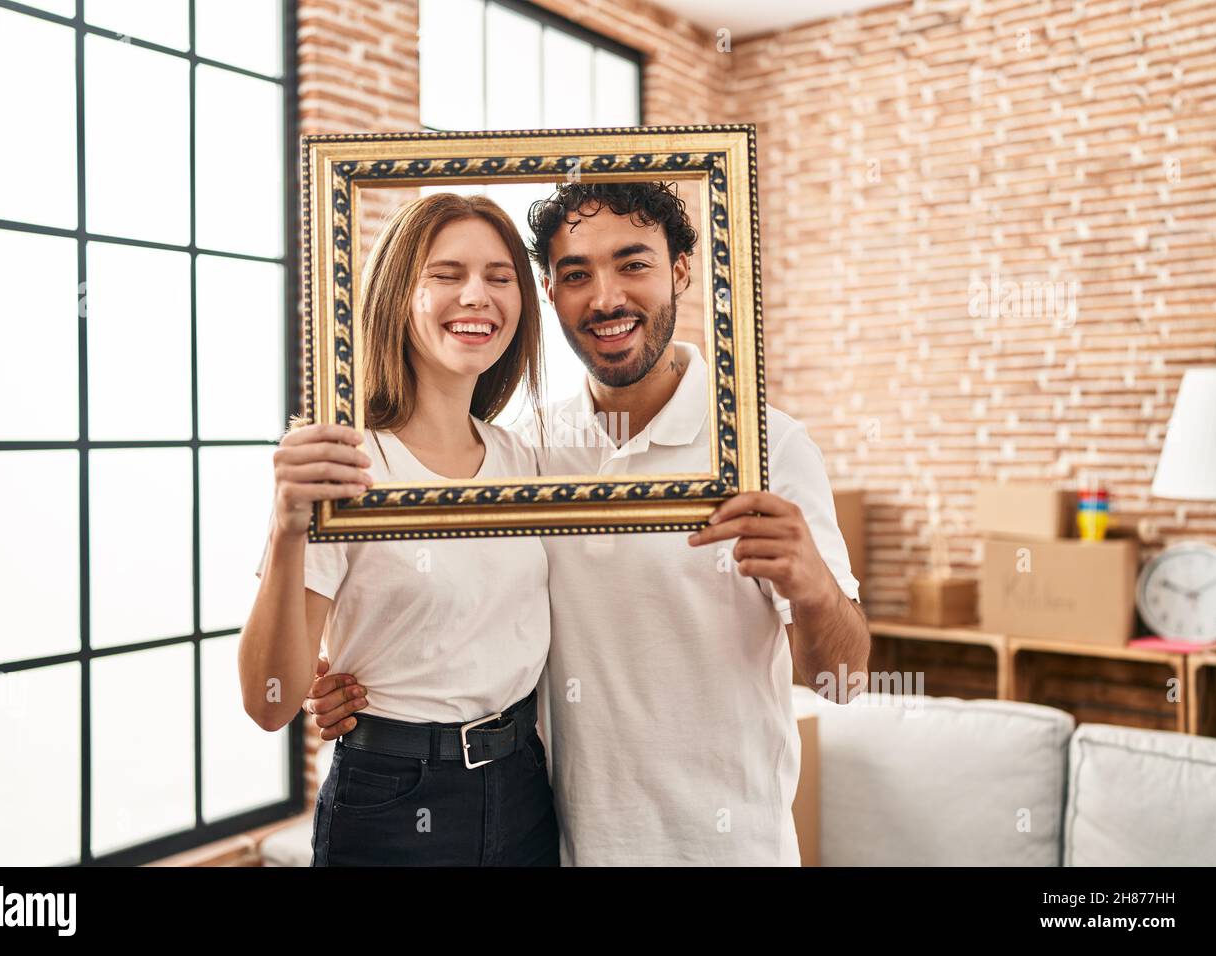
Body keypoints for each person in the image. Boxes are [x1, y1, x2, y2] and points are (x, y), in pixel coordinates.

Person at [308, 181, 871, 866]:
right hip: (559, 841)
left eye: (634, 264)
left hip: (726, 847)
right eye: (577, 274)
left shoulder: (764, 447)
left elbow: (842, 682)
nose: (606, 298)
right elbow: (471, 612)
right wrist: (360, 682)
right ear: (548, 291)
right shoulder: (526, 453)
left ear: (682, 271)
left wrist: (814, 587)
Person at [239, 191, 559, 866]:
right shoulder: (347, 462)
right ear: (398, 295)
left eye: (500, 278)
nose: (477, 295)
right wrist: (287, 529)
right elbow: (269, 704)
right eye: (446, 275)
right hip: (391, 799)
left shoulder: (522, 459)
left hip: (524, 784)